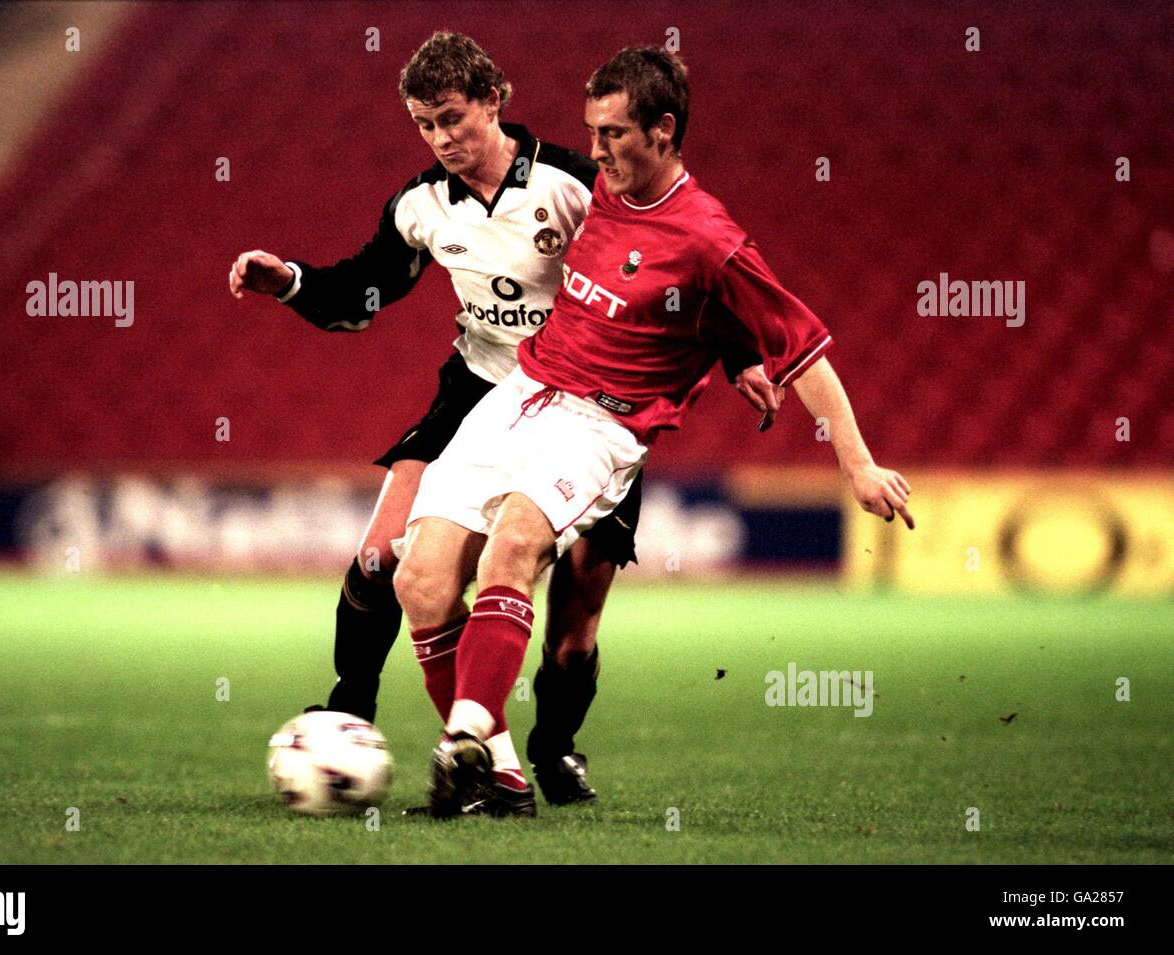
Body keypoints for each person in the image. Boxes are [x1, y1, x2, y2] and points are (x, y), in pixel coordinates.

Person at [229, 33, 782, 816]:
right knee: (389, 557)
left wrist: (738, 358)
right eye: (425, 125)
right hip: (480, 392)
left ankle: (554, 745)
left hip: (590, 402)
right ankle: (370, 720)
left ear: (495, 102)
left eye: (453, 118)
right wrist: (288, 280)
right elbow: (363, 293)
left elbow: (676, 271)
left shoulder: (575, 184)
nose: (442, 139)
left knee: (576, 620)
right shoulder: (421, 207)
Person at [391, 46, 914, 817]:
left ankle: (466, 733)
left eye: (612, 136)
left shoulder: (711, 239)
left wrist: (858, 466)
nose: (595, 153)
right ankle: (496, 773)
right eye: (591, 133)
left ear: (664, 132)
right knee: (421, 580)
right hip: (524, 389)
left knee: (517, 548)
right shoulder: (604, 187)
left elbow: (804, 350)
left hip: (603, 423)